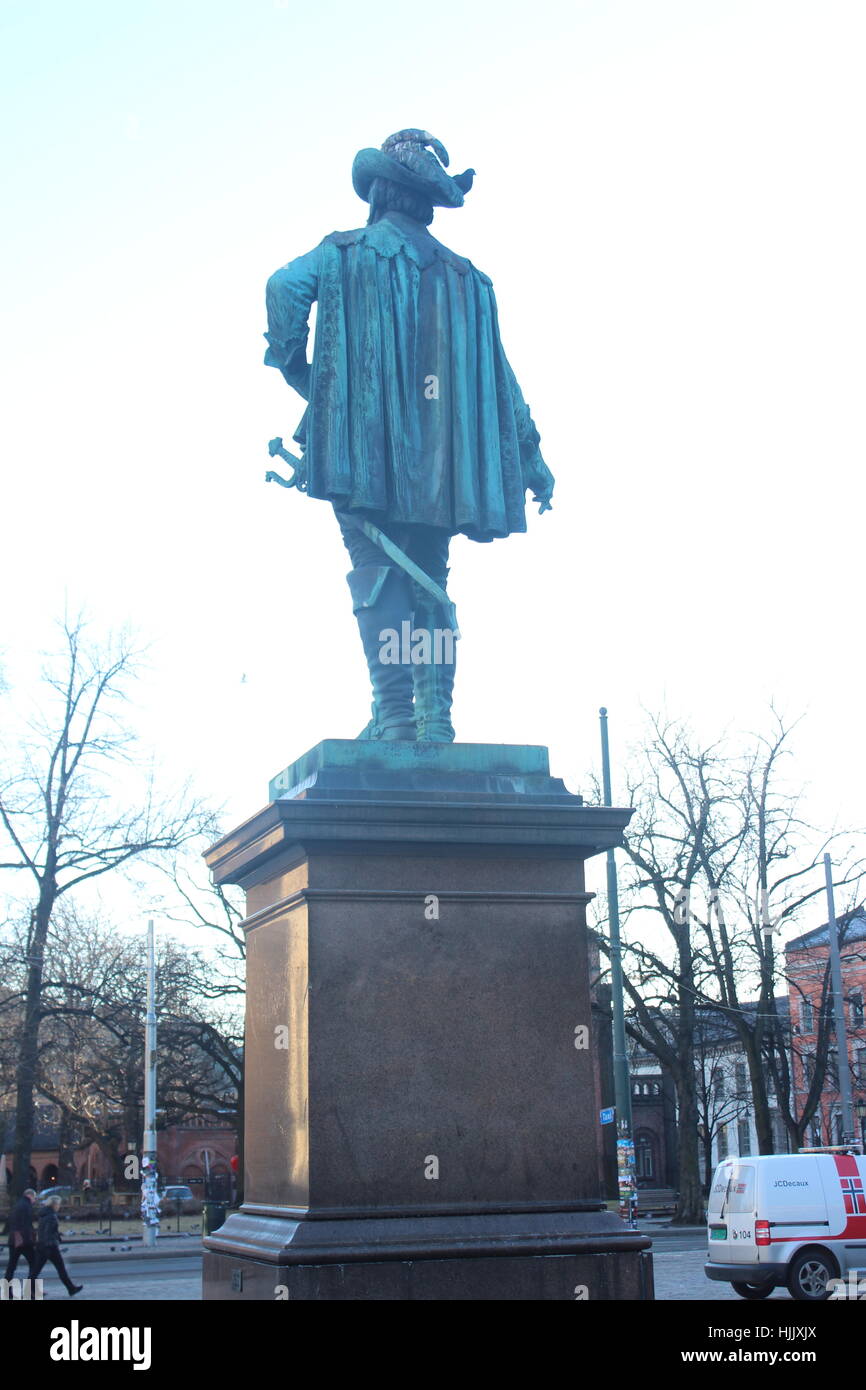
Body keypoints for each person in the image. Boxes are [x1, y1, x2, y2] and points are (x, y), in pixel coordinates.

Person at [264, 128, 555, 742]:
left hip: (363, 456)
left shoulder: (344, 253)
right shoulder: (469, 279)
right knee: (430, 580)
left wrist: (310, 382)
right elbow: (501, 377)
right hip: (446, 464)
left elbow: (282, 288)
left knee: (378, 574)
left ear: (380, 194)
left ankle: (396, 713)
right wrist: (530, 455)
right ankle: (434, 716)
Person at [32, 1196, 82, 1296]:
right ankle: (71, 1288)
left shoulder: (44, 1214)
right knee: (38, 1270)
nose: (59, 1206)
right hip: (48, 1246)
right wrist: (52, 1240)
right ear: (54, 1205)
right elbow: (48, 1232)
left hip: (45, 1245)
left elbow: (45, 1230)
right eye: (58, 1204)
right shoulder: (51, 1216)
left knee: (57, 1268)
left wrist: (57, 1235)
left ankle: (71, 1288)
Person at [4, 1188, 37, 1289]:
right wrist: (32, 1240)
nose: (34, 1200)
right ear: (30, 1196)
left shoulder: (17, 1205)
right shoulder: (26, 1206)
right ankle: (31, 1290)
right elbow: (26, 1225)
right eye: (34, 1198)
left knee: (11, 1267)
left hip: (14, 1239)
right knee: (34, 1264)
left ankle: (6, 1291)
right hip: (24, 1241)